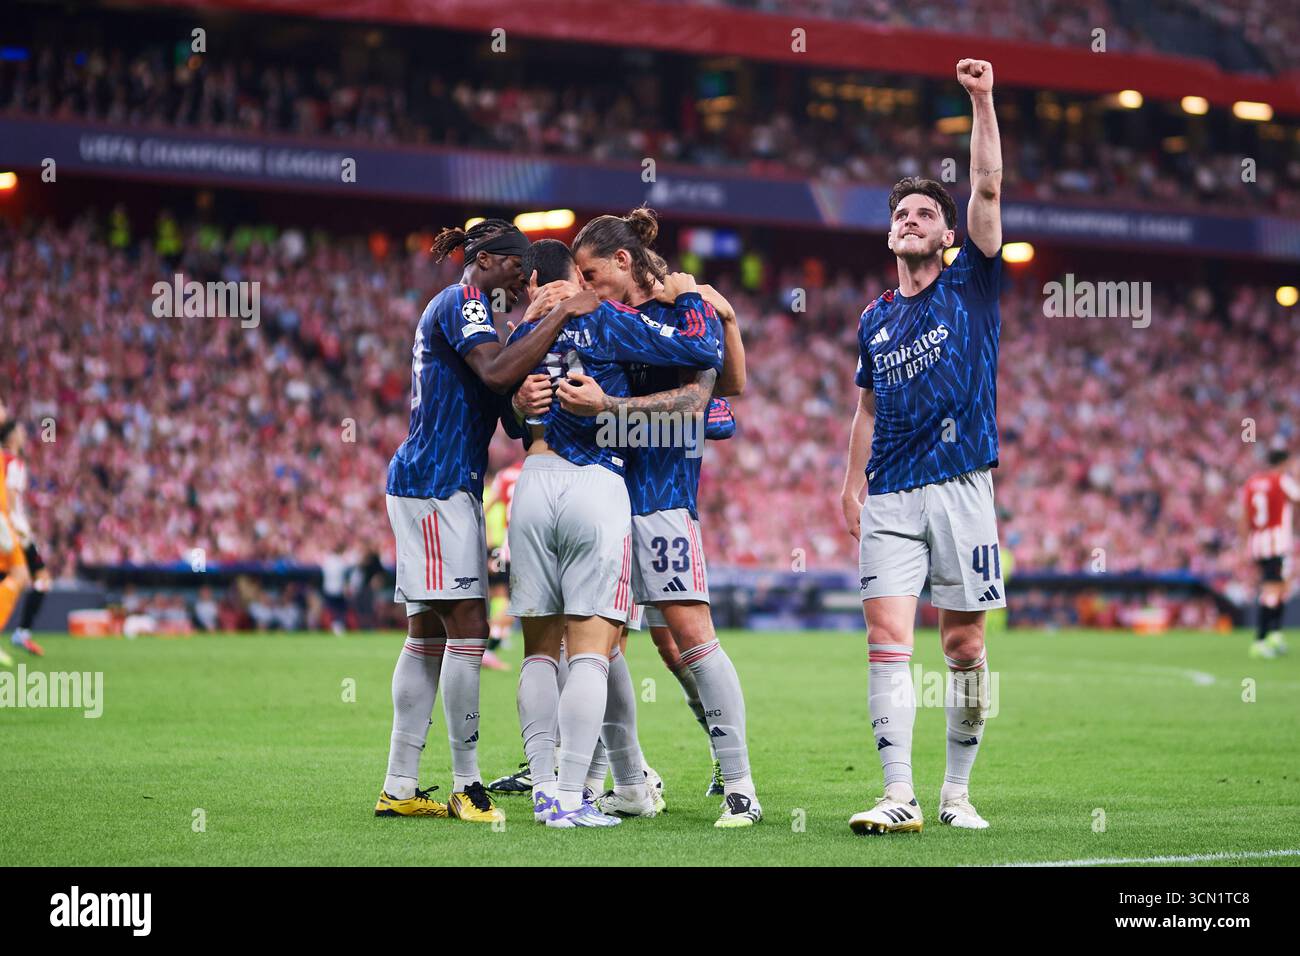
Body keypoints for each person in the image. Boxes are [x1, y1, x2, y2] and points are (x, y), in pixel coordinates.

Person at [504, 238, 722, 828]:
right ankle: (572, 798)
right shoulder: (602, 319)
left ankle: (545, 788)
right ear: (577, 276)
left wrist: (522, 394)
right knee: (593, 652)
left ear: (528, 283)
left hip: (532, 481)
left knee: (539, 654)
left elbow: (503, 408)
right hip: (595, 483)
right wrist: (693, 298)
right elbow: (701, 348)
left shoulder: (521, 336)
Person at [840, 59, 1004, 834]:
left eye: (923, 214)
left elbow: (989, 189)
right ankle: (899, 793)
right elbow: (865, 407)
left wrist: (981, 100)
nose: (909, 218)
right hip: (891, 494)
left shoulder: (970, 281)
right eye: (900, 212)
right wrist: (849, 486)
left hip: (964, 485)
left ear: (946, 234)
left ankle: (956, 792)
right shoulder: (873, 318)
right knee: (886, 637)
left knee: (965, 648)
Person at [375, 218, 582, 823]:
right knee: (468, 626)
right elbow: (495, 373)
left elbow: (505, 402)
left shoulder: (485, 324)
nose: (519, 286)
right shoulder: (464, 302)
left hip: (437, 486)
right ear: (487, 259)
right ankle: (467, 784)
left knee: (428, 633)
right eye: (516, 271)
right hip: (436, 485)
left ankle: (400, 785)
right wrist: (559, 317)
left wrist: (525, 404)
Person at [561, 209, 761, 827]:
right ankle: (627, 778)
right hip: (612, 488)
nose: (587, 289)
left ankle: (741, 787)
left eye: (592, 275)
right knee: (612, 641)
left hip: (662, 492)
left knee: (688, 634)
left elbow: (718, 390)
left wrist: (720, 314)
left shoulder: (684, 304)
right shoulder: (618, 317)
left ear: (622, 262)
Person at [1241, 445, 1298, 659]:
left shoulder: (1253, 482)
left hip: (1258, 542)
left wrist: (1243, 544)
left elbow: (1245, 514)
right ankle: (1260, 640)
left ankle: (1274, 634)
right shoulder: (1281, 479)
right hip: (1276, 542)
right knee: (1272, 591)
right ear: (1283, 463)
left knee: (1280, 588)